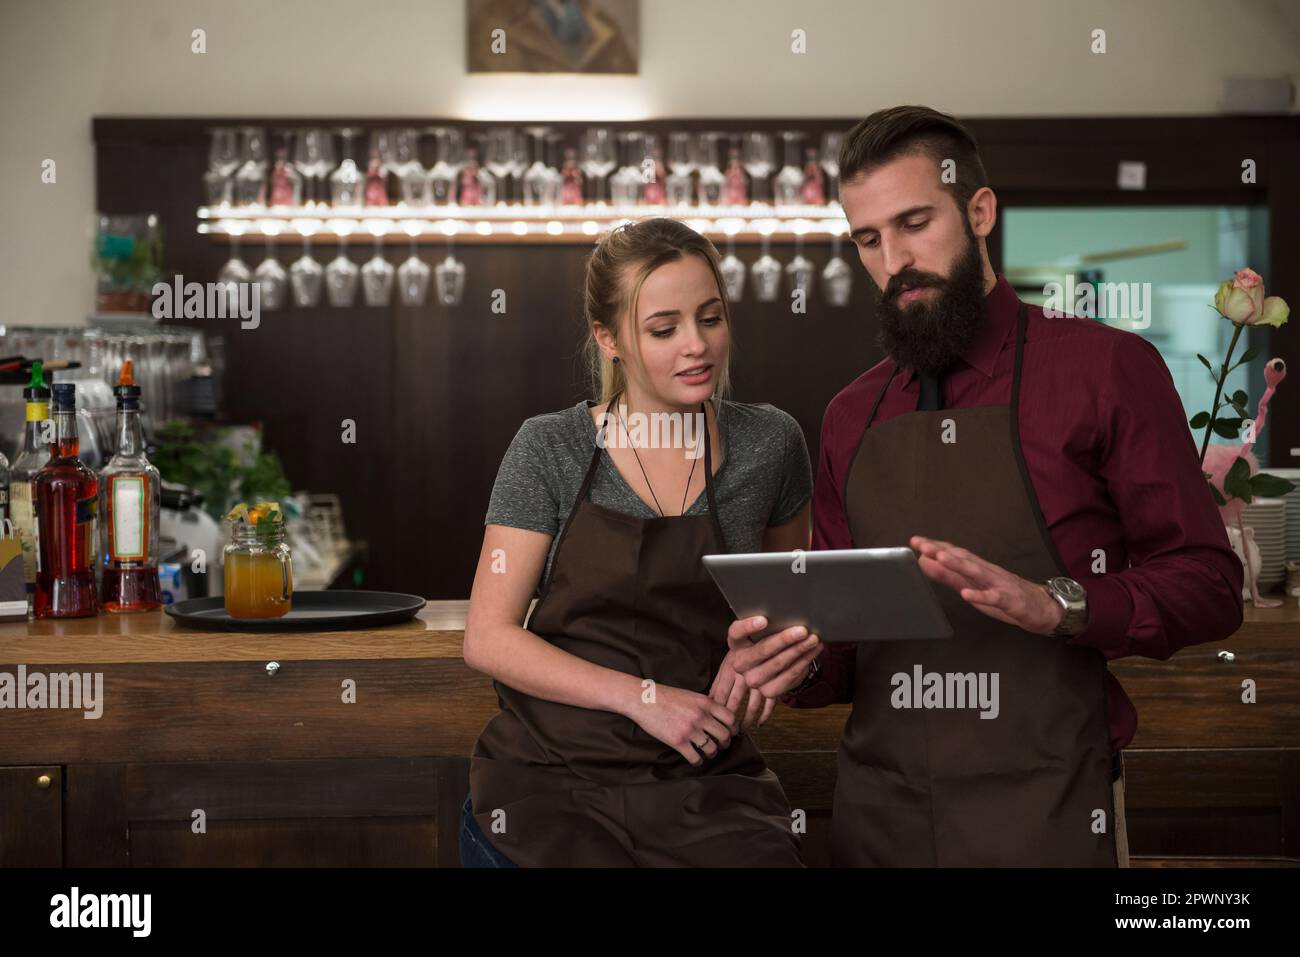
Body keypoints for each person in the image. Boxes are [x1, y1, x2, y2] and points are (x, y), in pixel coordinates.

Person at [728, 105, 1245, 867]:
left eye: (914, 222)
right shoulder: (848, 416)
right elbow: (841, 653)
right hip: (882, 814)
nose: (893, 258)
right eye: (868, 238)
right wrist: (789, 658)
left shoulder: (1104, 370)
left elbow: (1210, 584)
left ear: (979, 211)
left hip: (1051, 808)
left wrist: (1060, 604)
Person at [461, 217, 821, 867]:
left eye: (710, 318)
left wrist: (772, 653)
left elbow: (791, 606)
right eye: (664, 328)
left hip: (707, 785)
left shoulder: (772, 445)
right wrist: (644, 699)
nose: (697, 346)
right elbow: (487, 636)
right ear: (609, 339)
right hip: (551, 781)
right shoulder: (548, 447)